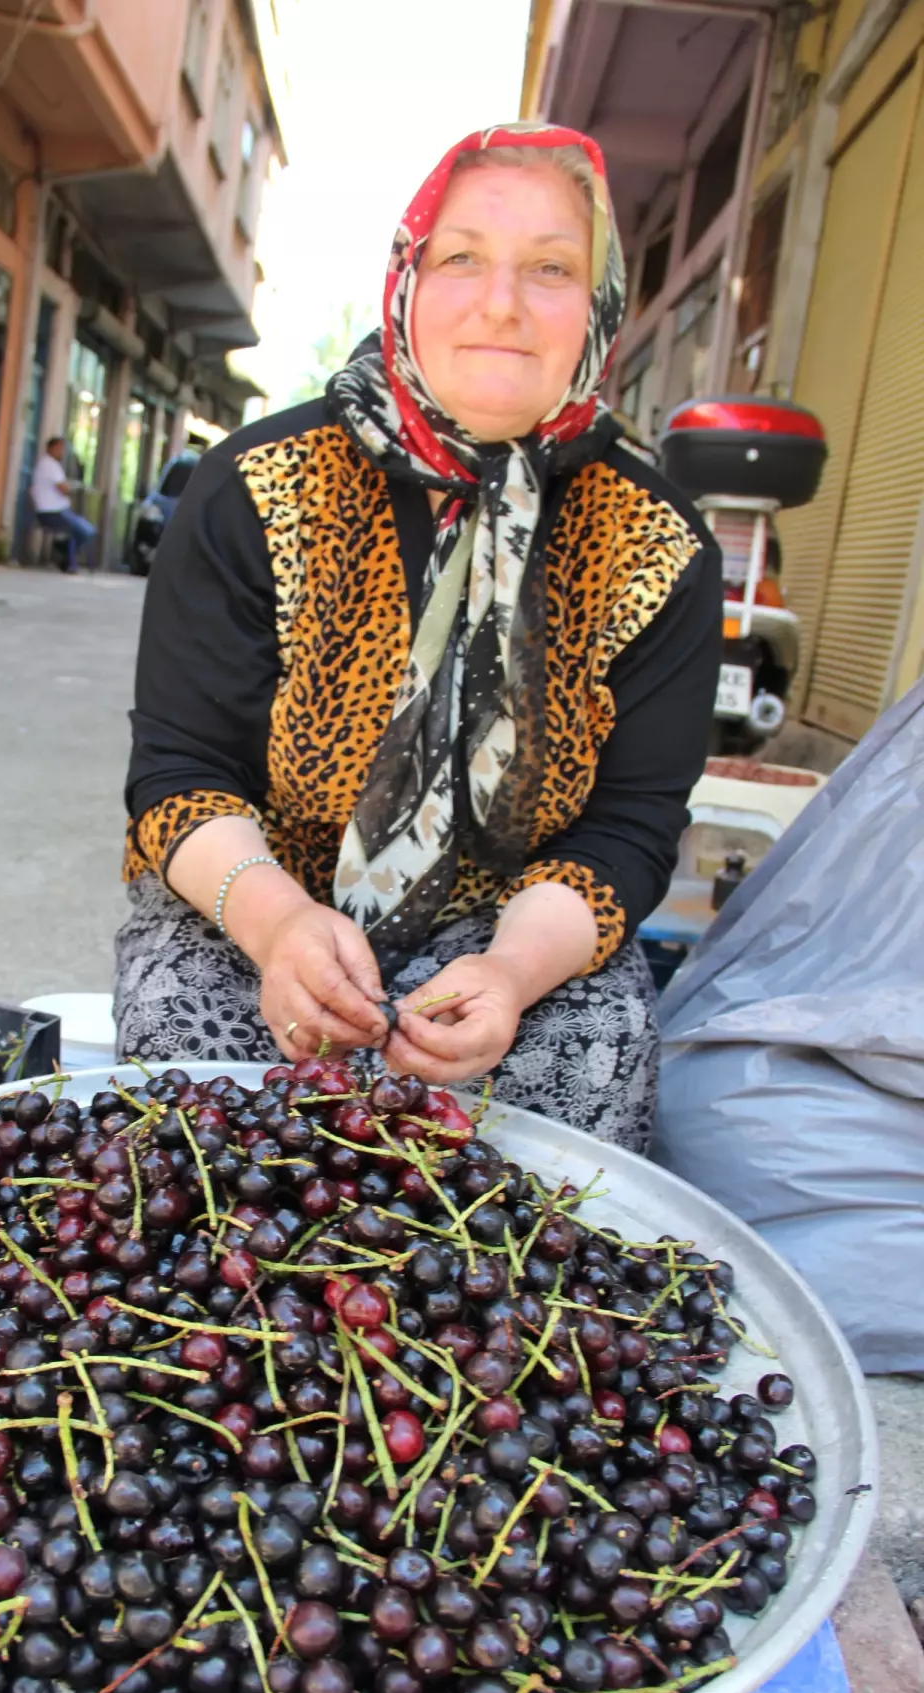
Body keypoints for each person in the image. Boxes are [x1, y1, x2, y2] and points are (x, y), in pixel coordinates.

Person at [115, 122, 722, 1152]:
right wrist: (280, 929)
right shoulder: (256, 490)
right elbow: (179, 776)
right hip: (260, 896)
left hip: (514, 928)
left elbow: (629, 827)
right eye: (463, 259)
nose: (502, 302)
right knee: (205, 1120)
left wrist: (512, 973)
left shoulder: (656, 544)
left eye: (550, 268)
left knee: (585, 1086)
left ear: (600, 304)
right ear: (405, 278)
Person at [31, 435, 96, 572]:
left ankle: (64, 553)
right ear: (51, 448)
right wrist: (72, 488)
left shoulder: (50, 464)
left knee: (87, 529)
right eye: (59, 448)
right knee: (82, 531)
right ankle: (67, 558)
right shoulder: (49, 465)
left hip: (58, 511)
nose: (61, 452)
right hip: (52, 512)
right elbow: (63, 488)